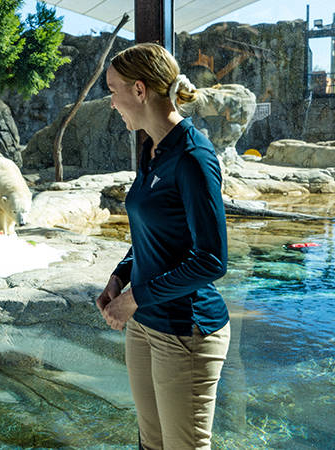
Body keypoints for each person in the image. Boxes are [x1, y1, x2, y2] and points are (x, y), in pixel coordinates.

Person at [96, 43, 230, 450]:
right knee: (149, 444)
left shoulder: (192, 157)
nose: (111, 101)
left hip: (186, 332)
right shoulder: (151, 149)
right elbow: (153, 235)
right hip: (145, 325)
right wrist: (120, 277)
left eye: (113, 89)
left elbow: (211, 260)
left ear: (140, 91)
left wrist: (137, 298)